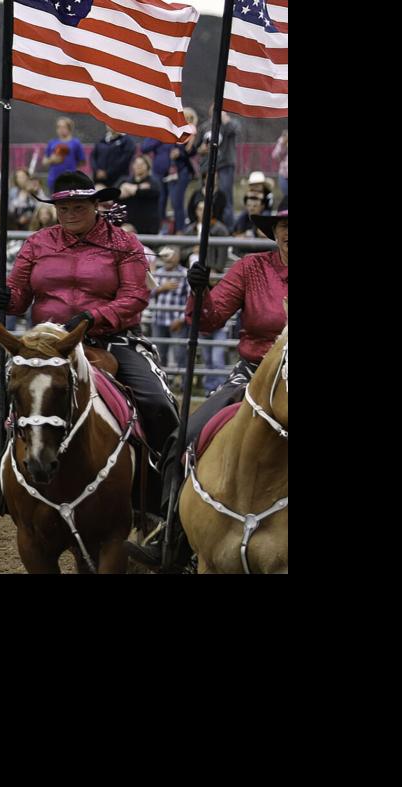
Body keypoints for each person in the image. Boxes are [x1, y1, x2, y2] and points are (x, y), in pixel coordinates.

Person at [0, 171, 170, 524]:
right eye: (63, 207)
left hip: (111, 338)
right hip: (45, 343)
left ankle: (163, 501)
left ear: (96, 205)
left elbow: (134, 298)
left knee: (157, 403)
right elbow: (18, 297)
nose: (69, 213)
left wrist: (92, 317)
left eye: (78, 205)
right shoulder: (37, 243)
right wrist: (5, 298)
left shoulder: (124, 245)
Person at [130, 209, 286, 571]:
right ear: (274, 232)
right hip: (254, 376)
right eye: (284, 226)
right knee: (186, 434)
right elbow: (209, 319)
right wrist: (200, 292)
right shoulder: (251, 268)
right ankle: (172, 536)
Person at [119, 155, 163, 235]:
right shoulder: (124, 180)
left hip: (148, 228)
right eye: (136, 163)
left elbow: (148, 191)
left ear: (148, 166)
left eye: (142, 164)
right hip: (128, 226)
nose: (138, 166)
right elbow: (117, 194)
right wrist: (138, 188)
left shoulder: (154, 182)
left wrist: (128, 188)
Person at [43, 117, 86, 190]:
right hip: (54, 179)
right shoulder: (52, 143)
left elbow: (82, 161)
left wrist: (73, 169)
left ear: (69, 128)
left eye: (63, 127)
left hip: (71, 180)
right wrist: (52, 160)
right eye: (58, 127)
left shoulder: (76, 143)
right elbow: (44, 162)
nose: (61, 129)